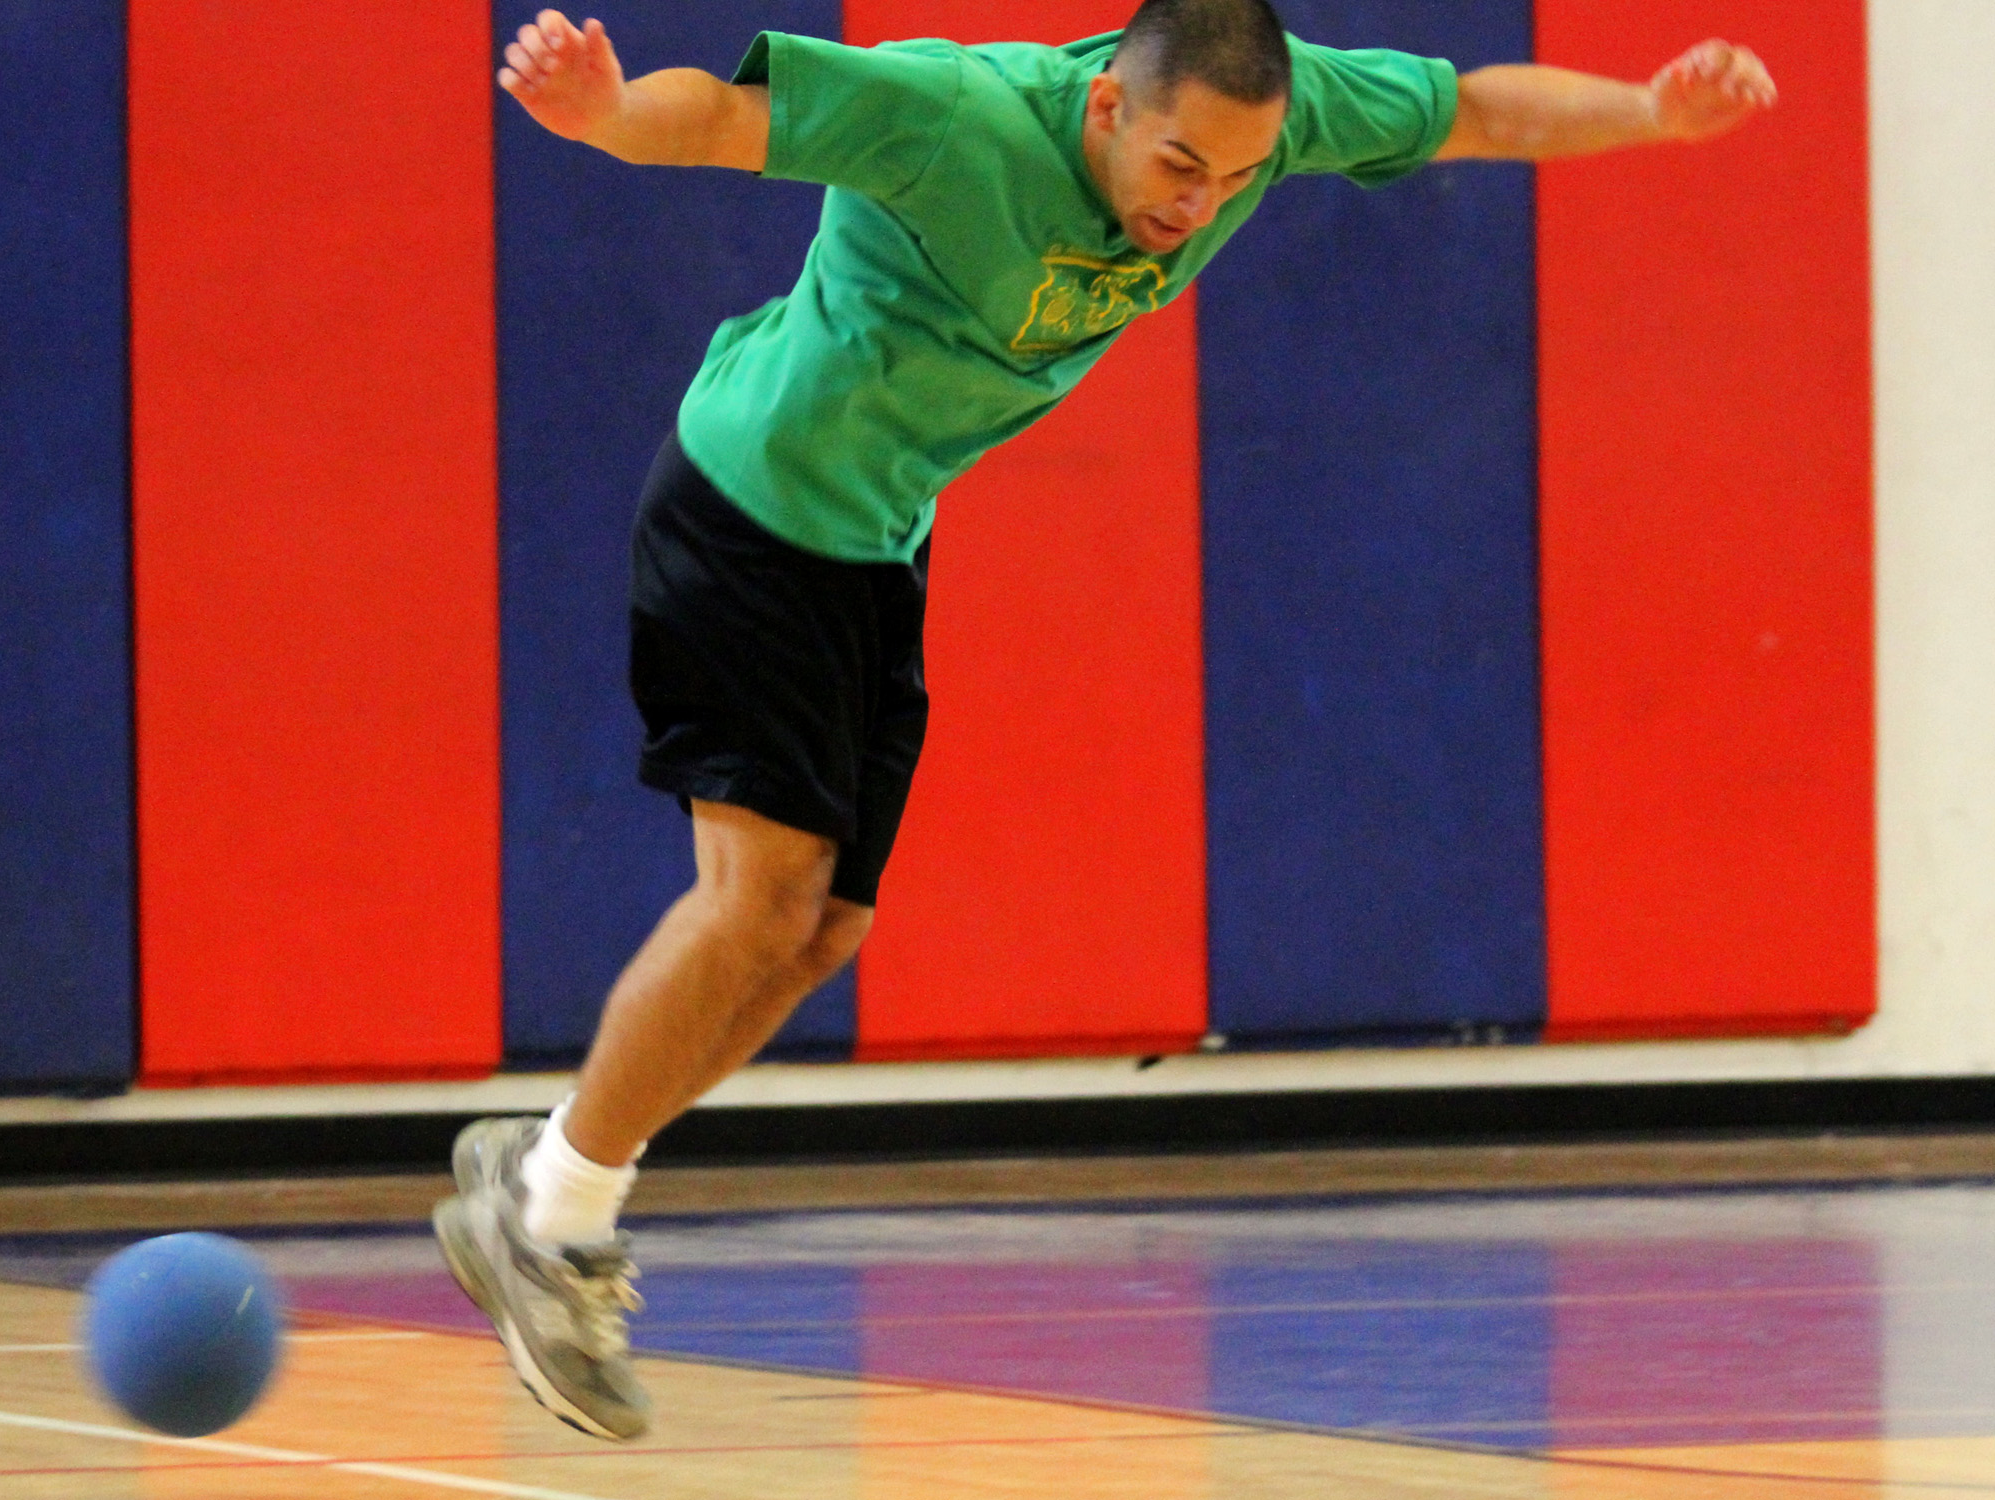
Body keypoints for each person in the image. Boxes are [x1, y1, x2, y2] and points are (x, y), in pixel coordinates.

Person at [434, 0, 1777, 1441]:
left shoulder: (1266, 112)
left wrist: (1652, 112)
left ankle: (552, 1173)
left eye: (1234, 180)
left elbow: (1478, 111)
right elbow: (717, 118)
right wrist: (601, 112)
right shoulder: (958, 117)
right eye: (1178, 168)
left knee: (822, 933)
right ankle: (555, 1214)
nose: (1197, 207)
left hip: (875, 538)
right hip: (750, 509)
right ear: (1105, 115)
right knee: (759, 907)